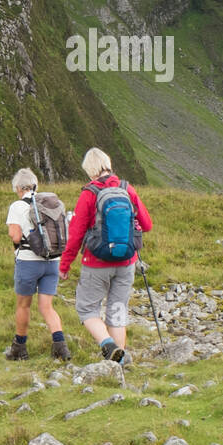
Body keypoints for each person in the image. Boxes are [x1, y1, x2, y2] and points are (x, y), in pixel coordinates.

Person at [59, 148, 152, 363]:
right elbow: (147, 225)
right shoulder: (127, 189)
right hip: (126, 261)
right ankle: (119, 361)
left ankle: (107, 345)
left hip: (96, 263)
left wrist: (64, 266)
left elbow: (76, 234)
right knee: (118, 310)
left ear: (89, 170)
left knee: (87, 309)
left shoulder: (89, 194)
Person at [5, 168, 71, 361]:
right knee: (47, 307)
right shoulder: (51, 204)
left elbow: (15, 235)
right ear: (35, 185)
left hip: (28, 262)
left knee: (23, 305)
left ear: (18, 188)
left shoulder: (17, 206)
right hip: (53, 261)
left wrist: (16, 246)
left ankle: (19, 348)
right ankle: (61, 347)